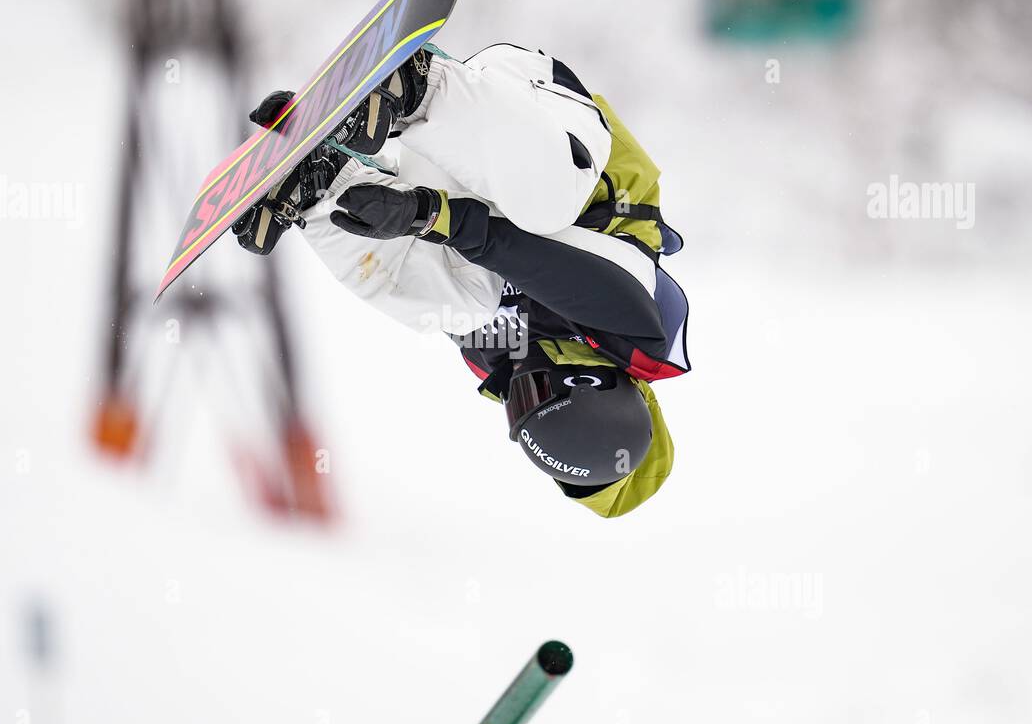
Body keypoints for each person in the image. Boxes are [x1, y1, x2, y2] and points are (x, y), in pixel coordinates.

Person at [232, 43, 690, 517]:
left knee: (458, 307)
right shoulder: (644, 333)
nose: (517, 389)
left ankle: (321, 186)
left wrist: (403, 208)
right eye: (534, 394)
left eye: (517, 408)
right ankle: (419, 85)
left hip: (455, 162)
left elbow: (426, 265)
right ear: (592, 385)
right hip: (540, 123)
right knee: (545, 205)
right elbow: (550, 265)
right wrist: (440, 217)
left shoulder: (500, 360)